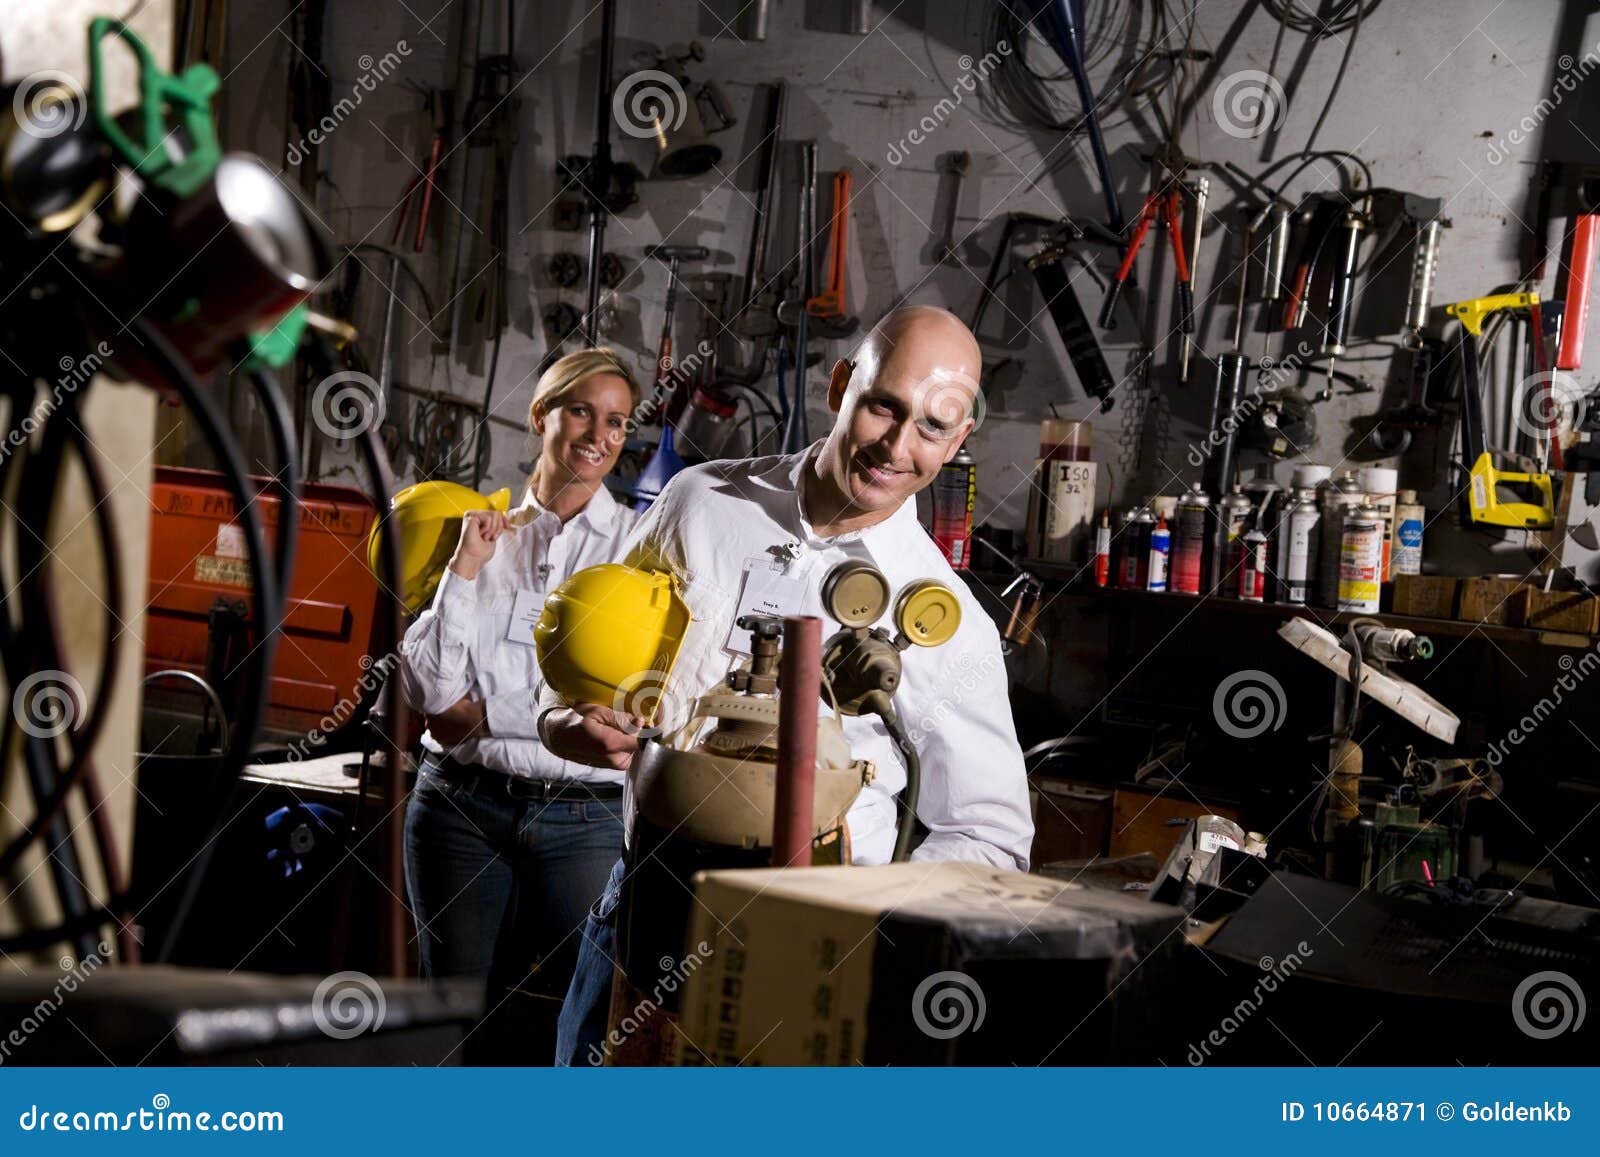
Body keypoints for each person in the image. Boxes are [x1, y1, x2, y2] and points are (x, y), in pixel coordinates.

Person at [538, 306, 1034, 1064]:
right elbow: (573, 677)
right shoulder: (701, 503)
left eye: (932, 428)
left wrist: (865, 922)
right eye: (884, 406)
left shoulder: (947, 619)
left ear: (959, 441)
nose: (898, 447)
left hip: (809, 951)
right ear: (842, 385)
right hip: (645, 908)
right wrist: (569, 726)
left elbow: (992, 836)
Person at [399, 347, 641, 1063]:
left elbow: (634, 714)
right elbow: (429, 692)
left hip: (587, 818)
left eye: (618, 422)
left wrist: (491, 715)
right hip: (459, 809)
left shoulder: (639, 545)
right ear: (541, 416)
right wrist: (465, 567)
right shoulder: (475, 530)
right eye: (580, 411)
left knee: (588, 1023)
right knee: (452, 1024)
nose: (599, 434)